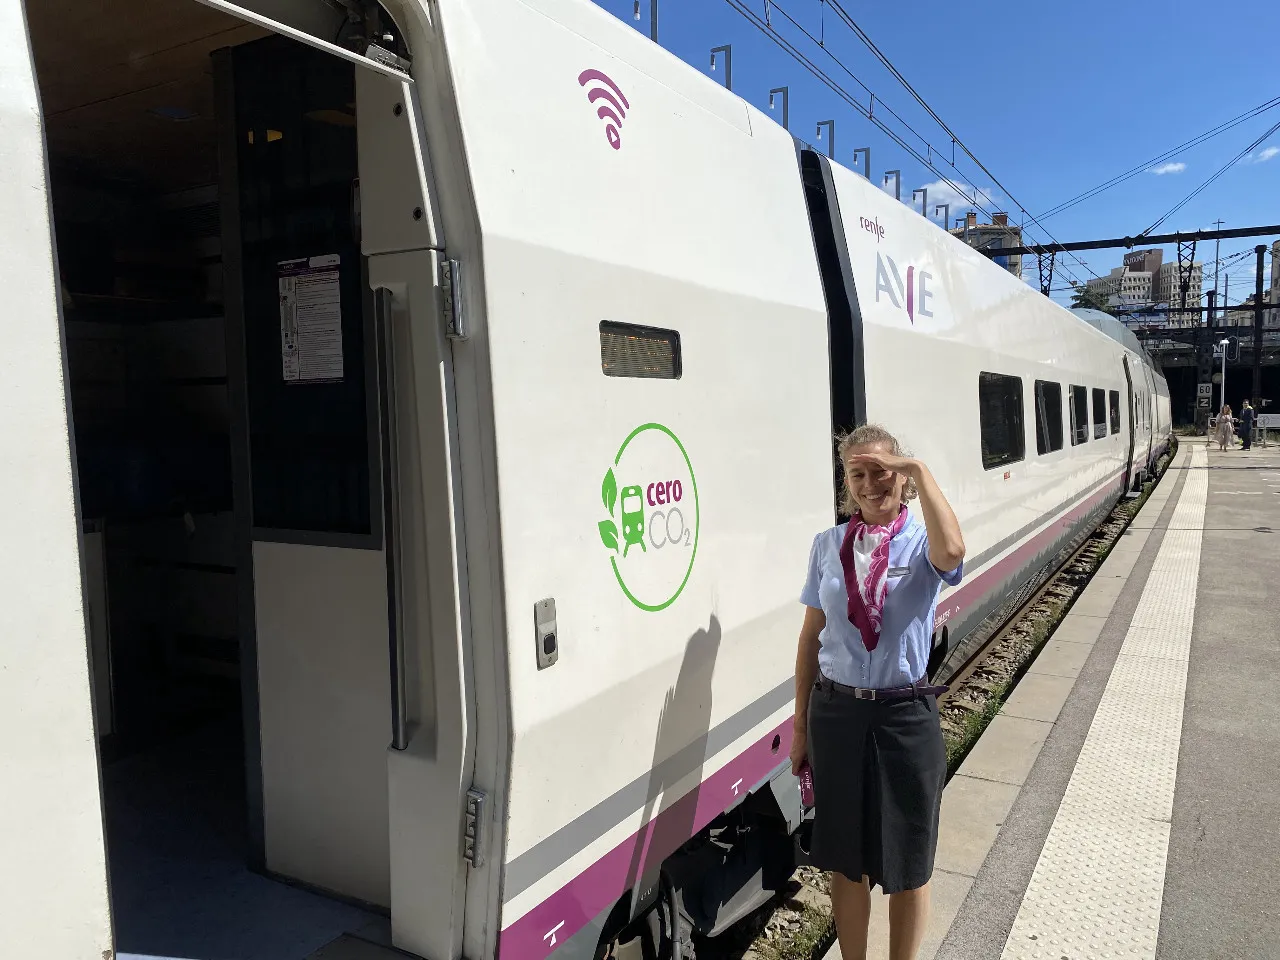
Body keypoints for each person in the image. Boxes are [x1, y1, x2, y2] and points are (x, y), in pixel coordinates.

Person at [791, 424, 965, 960]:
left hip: (904, 716)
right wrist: (799, 728)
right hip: (837, 715)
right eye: (857, 474)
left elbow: (954, 549)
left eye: (882, 472)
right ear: (847, 482)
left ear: (902, 478)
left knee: (909, 860)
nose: (870, 485)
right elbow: (810, 637)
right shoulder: (827, 545)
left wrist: (919, 471)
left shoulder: (920, 540)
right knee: (848, 860)